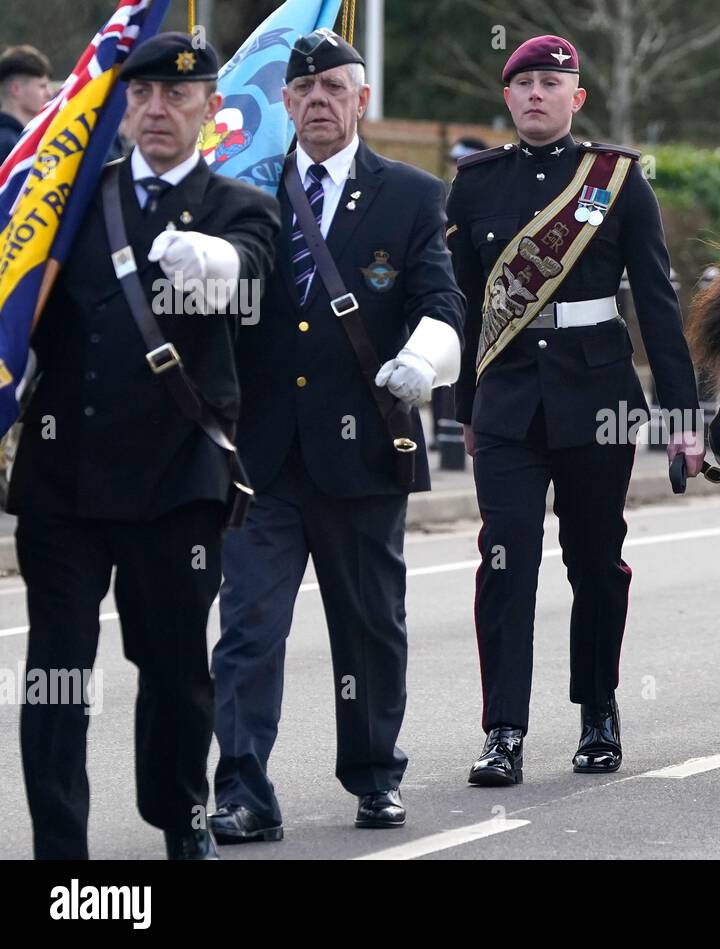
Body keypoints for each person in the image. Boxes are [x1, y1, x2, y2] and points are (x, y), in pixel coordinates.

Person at [7, 32, 280, 859]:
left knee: (172, 671)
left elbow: (257, 289)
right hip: (65, 478)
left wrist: (219, 264)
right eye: (142, 96)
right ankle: (60, 846)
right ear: (121, 107)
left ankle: (178, 815)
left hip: (175, 479)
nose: (157, 110)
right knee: (56, 674)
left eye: (176, 96)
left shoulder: (240, 205)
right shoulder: (73, 201)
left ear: (209, 108)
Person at [208, 29, 464, 843]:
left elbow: (442, 301)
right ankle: (244, 789)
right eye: (303, 90)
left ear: (361, 99)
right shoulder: (245, 196)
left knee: (368, 625)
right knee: (249, 627)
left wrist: (425, 356)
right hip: (264, 460)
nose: (317, 101)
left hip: (362, 451)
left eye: (334, 88)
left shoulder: (412, 195)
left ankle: (374, 773)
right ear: (284, 104)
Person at [445, 34, 703, 786]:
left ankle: (598, 710)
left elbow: (657, 303)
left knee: (593, 562)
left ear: (576, 97)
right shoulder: (474, 184)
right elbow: (465, 310)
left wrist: (681, 414)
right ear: (507, 97)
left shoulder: (617, 180)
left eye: (549, 84)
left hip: (597, 398)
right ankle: (503, 730)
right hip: (507, 402)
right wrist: (464, 408)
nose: (534, 94)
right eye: (522, 83)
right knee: (505, 560)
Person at [0, 44, 52, 162]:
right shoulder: (6, 144)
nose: (49, 93)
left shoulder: (24, 139)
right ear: (15, 89)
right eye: (42, 86)